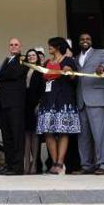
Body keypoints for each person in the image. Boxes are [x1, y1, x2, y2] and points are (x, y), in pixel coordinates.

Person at [73, 33, 104, 175]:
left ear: (91, 41)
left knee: (100, 135)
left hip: (97, 99)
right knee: (83, 136)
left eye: (88, 39)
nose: (85, 41)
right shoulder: (76, 58)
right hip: (81, 101)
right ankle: (86, 165)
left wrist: (103, 67)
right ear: (79, 42)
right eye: (82, 39)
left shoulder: (100, 53)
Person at [36, 37, 80, 174]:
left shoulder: (69, 60)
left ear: (58, 47)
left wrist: (69, 72)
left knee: (63, 131)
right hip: (47, 101)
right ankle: (54, 162)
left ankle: (60, 163)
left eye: (51, 45)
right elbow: (42, 82)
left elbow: (75, 79)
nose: (49, 47)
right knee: (48, 132)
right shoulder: (47, 62)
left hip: (64, 100)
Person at [0, 38, 27, 175]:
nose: (13, 46)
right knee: (7, 136)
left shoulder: (22, 59)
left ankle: (17, 167)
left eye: (16, 44)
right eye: (11, 45)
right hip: (4, 103)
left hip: (16, 104)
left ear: (20, 47)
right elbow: (1, 75)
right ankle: (9, 165)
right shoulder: (6, 60)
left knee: (17, 136)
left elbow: (14, 74)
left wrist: (1, 76)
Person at [23, 49, 45, 173]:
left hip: (36, 104)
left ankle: (34, 164)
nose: (31, 57)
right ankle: (26, 163)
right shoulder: (24, 69)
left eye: (33, 55)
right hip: (25, 104)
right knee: (26, 134)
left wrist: (40, 103)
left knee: (35, 135)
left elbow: (43, 89)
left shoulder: (40, 70)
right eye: (29, 55)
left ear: (37, 57)